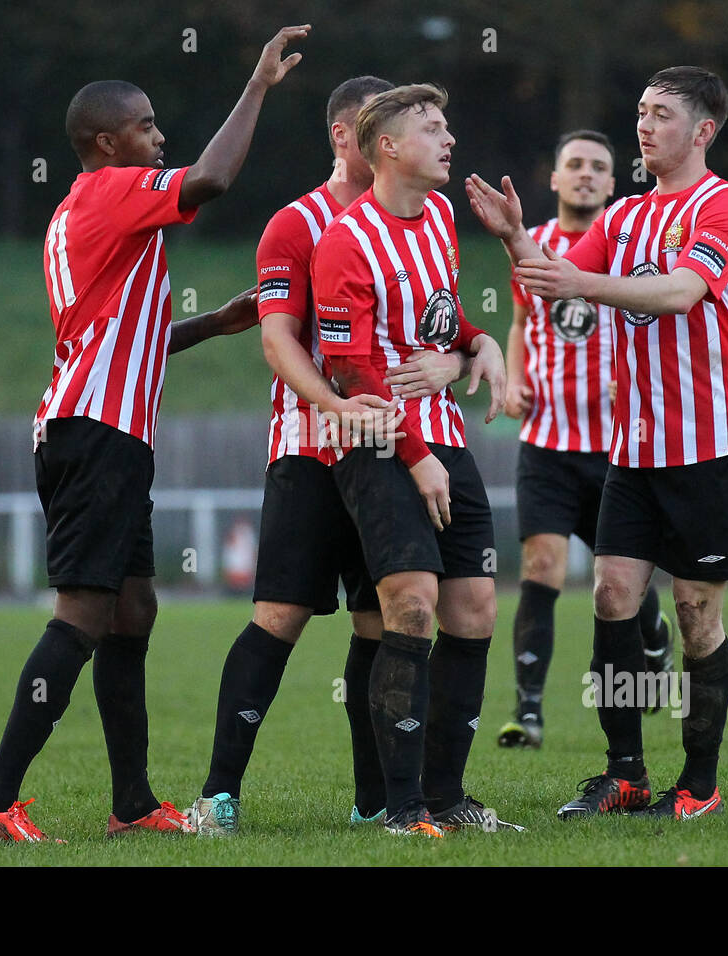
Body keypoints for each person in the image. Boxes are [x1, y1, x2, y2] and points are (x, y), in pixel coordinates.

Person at [0, 25, 312, 843]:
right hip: (97, 436)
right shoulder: (114, 191)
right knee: (83, 612)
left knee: (133, 610)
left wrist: (216, 324)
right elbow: (214, 179)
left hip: (96, 431)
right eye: (148, 126)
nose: (161, 137)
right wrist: (257, 83)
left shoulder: (76, 213)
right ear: (107, 142)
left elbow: (117, 333)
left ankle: (132, 804)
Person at [185, 76, 482, 836]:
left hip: (388, 442)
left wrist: (460, 359)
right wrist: (337, 408)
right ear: (345, 136)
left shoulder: (423, 216)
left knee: (384, 624)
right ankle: (219, 794)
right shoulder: (300, 224)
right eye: (355, 128)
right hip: (315, 447)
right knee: (280, 615)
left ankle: (378, 800)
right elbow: (279, 339)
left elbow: (436, 324)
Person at [467, 65, 728, 819]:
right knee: (611, 593)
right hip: (635, 448)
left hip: (715, 443)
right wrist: (511, 233)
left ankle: (698, 787)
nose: (644, 124)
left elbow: (679, 292)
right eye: (640, 110)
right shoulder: (624, 217)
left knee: (696, 612)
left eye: (661, 114)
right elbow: (545, 281)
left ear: (702, 131)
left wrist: (583, 285)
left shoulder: (723, 206)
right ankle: (623, 772)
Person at [313, 84, 513, 837]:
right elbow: (351, 371)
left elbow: (442, 318)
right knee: (414, 608)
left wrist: (479, 344)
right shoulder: (345, 240)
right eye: (432, 128)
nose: (449, 137)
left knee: (475, 608)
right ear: (387, 147)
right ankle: (402, 813)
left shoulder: (436, 219)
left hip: (442, 443)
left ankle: (448, 797)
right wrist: (415, 453)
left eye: (448, 125)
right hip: (376, 447)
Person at [495, 130, 673, 752]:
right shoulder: (534, 245)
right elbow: (519, 322)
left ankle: (656, 638)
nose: (586, 175)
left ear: (612, 182)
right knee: (540, 566)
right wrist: (515, 377)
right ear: (554, 178)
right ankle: (529, 710)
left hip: (615, 448)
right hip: (545, 443)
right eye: (574, 164)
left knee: (618, 578)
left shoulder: (626, 245)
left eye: (598, 167)